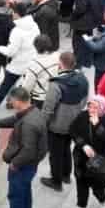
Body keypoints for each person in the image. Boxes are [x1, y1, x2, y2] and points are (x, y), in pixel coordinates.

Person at [0, 86, 47, 208]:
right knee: (25, 191)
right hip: (30, 164)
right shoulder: (32, 111)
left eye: (11, 101)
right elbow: (15, 119)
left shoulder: (28, 124)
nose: (10, 103)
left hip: (23, 165)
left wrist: (15, 164)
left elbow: (28, 150)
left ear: (19, 101)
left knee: (16, 194)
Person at [39, 52, 89, 192]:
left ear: (61, 64)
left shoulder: (56, 84)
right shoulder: (83, 79)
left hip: (57, 125)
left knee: (55, 153)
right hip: (74, 123)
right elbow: (85, 100)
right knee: (67, 147)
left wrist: (43, 124)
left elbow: (48, 109)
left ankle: (56, 181)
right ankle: (66, 175)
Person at [67, 95, 105, 208]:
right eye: (90, 106)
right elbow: (72, 130)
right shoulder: (83, 116)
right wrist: (83, 145)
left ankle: (102, 200)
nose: (91, 110)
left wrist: (97, 126)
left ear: (102, 108)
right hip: (81, 157)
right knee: (81, 182)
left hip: (99, 159)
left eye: (95, 107)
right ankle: (81, 205)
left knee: (98, 185)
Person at [0, 0, 38, 114]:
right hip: (30, 63)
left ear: (17, 13)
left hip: (17, 65)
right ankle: (24, 110)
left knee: (3, 88)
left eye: (13, 12)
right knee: (27, 89)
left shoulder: (17, 31)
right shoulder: (34, 25)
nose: (12, 14)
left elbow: (11, 52)